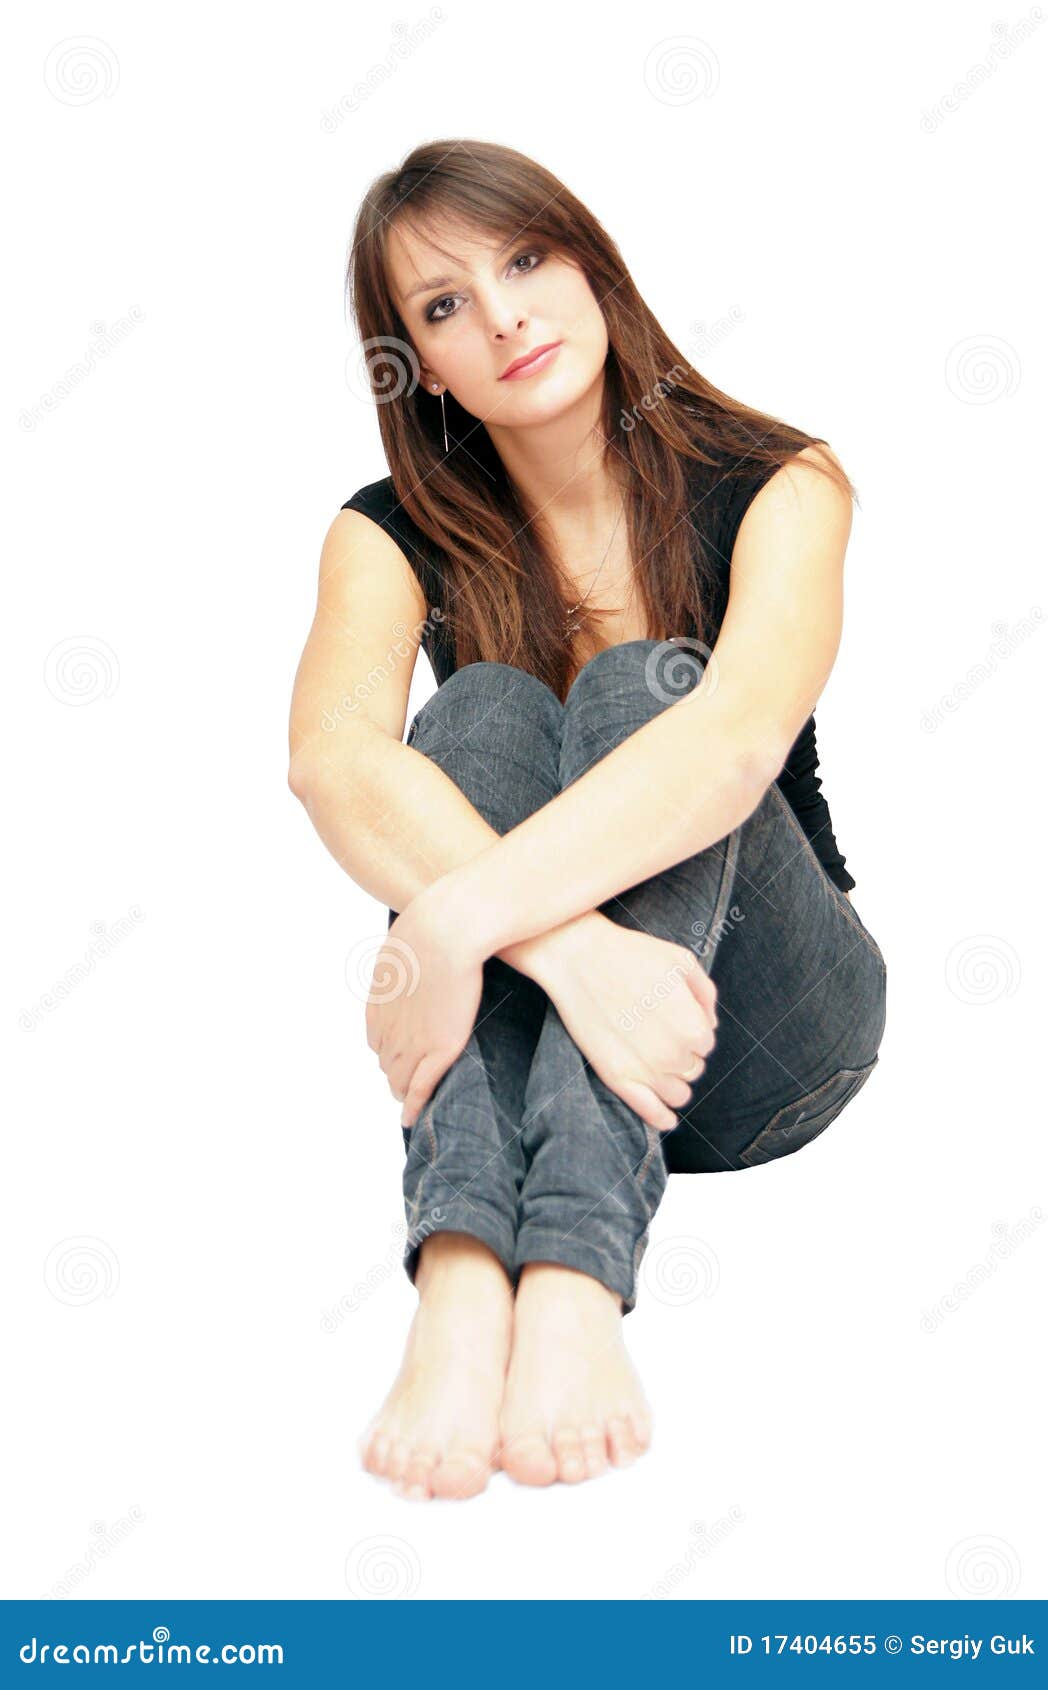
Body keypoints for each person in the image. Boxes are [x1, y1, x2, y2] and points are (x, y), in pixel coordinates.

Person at [287, 139, 886, 1502]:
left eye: (525, 260)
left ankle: (565, 1269)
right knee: (483, 711)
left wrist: (453, 916)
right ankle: (458, 1273)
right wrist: (566, 952)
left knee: (641, 689)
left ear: (592, 269)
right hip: (579, 1015)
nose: (500, 317)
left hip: (769, 1030)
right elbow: (328, 760)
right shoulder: (385, 533)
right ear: (416, 366)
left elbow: (732, 748)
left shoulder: (782, 481)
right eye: (440, 308)